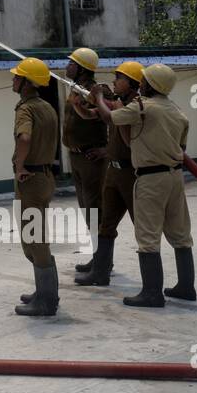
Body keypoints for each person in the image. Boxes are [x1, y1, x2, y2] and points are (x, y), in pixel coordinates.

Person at [91, 63, 196, 307]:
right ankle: (186, 287)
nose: (141, 84)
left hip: (151, 178)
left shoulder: (142, 107)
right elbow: (182, 148)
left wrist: (97, 96)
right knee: (180, 234)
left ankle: (152, 293)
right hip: (175, 177)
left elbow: (109, 118)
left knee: (148, 236)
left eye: (144, 81)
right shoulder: (178, 111)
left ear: (149, 85)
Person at [73, 61, 142, 287]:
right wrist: (79, 105)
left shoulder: (136, 105)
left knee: (142, 227)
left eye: (119, 77)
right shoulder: (120, 102)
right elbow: (94, 114)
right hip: (113, 171)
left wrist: (100, 97)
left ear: (132, 83)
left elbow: (109, 114)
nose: (114, 80)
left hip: (130, 173)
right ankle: (100, 272)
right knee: (106, 224)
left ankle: (150, 283)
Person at [10, 57, 61, 317]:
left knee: (34, 239)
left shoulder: (26, 109)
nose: (13, 79)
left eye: (17, 77)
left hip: (30, 180)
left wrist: (19, 166)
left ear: (27, 83)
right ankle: (45, 292)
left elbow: (25, 137)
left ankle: (47, 300)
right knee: (35, 237)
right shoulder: (48, 107)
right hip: (45, 177)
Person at [61, 48, 106, 273]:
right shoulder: (75, 89)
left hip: (91, 158)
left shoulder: (97, 92)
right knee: (87, 210)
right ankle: (97, 257)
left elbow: (112, 119)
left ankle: (102, 261)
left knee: (95, 210)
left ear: (81, 68)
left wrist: (106, 149)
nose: (67, 66)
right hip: (76, 156)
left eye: (71, 63)